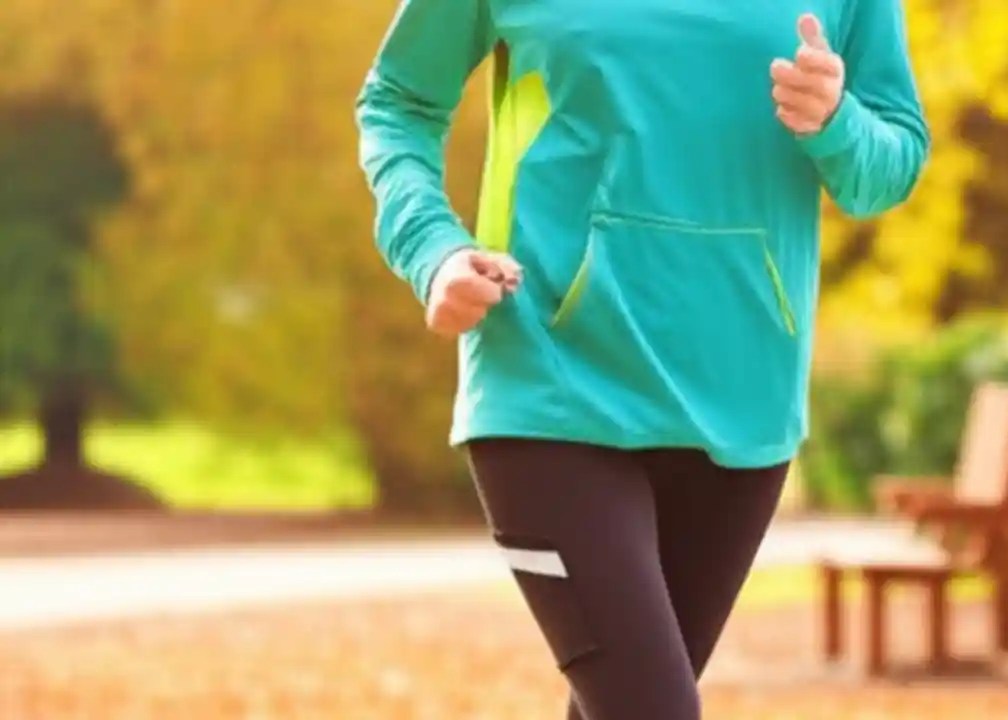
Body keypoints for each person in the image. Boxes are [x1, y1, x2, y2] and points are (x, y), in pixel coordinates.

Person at [355, 0, 928, 716]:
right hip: (548, 381)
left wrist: (837, 121)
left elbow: (892, 163)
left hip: (739, 405)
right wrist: (432, 251)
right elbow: (397, 101)